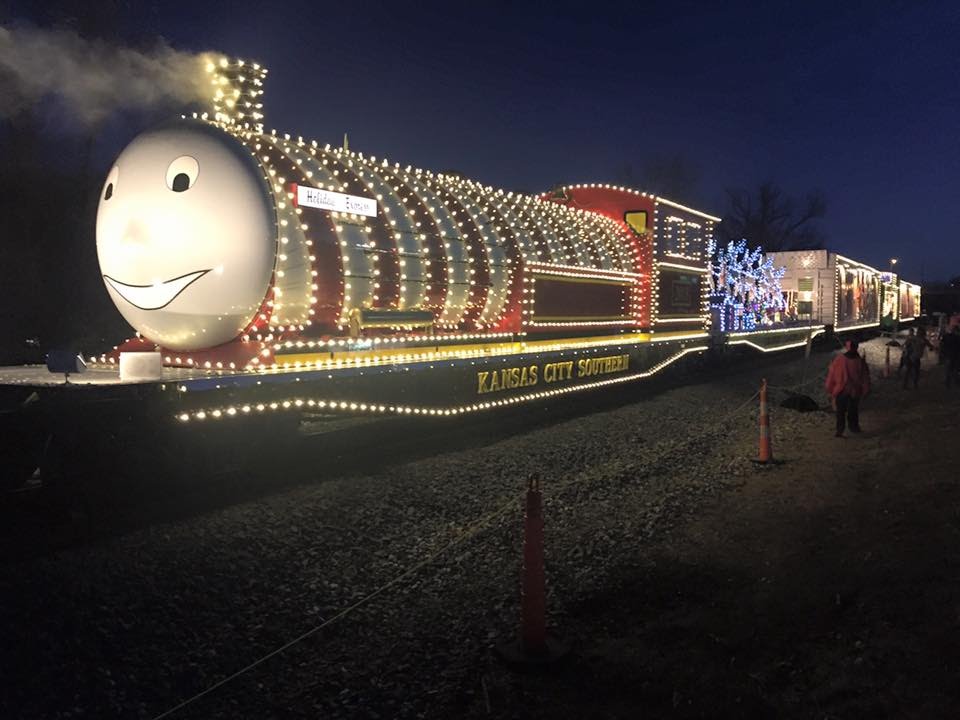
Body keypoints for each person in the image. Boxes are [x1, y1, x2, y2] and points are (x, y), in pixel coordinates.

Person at [825, 338, 871, 437]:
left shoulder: (840, 359)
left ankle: (840, 430)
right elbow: (865, 377)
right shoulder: (860, 361)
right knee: (853, 410)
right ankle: (854, 427)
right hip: (854, 391)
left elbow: (832, 374)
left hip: (841, 390)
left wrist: (829, 388)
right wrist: (865, 390)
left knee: (840, 412)